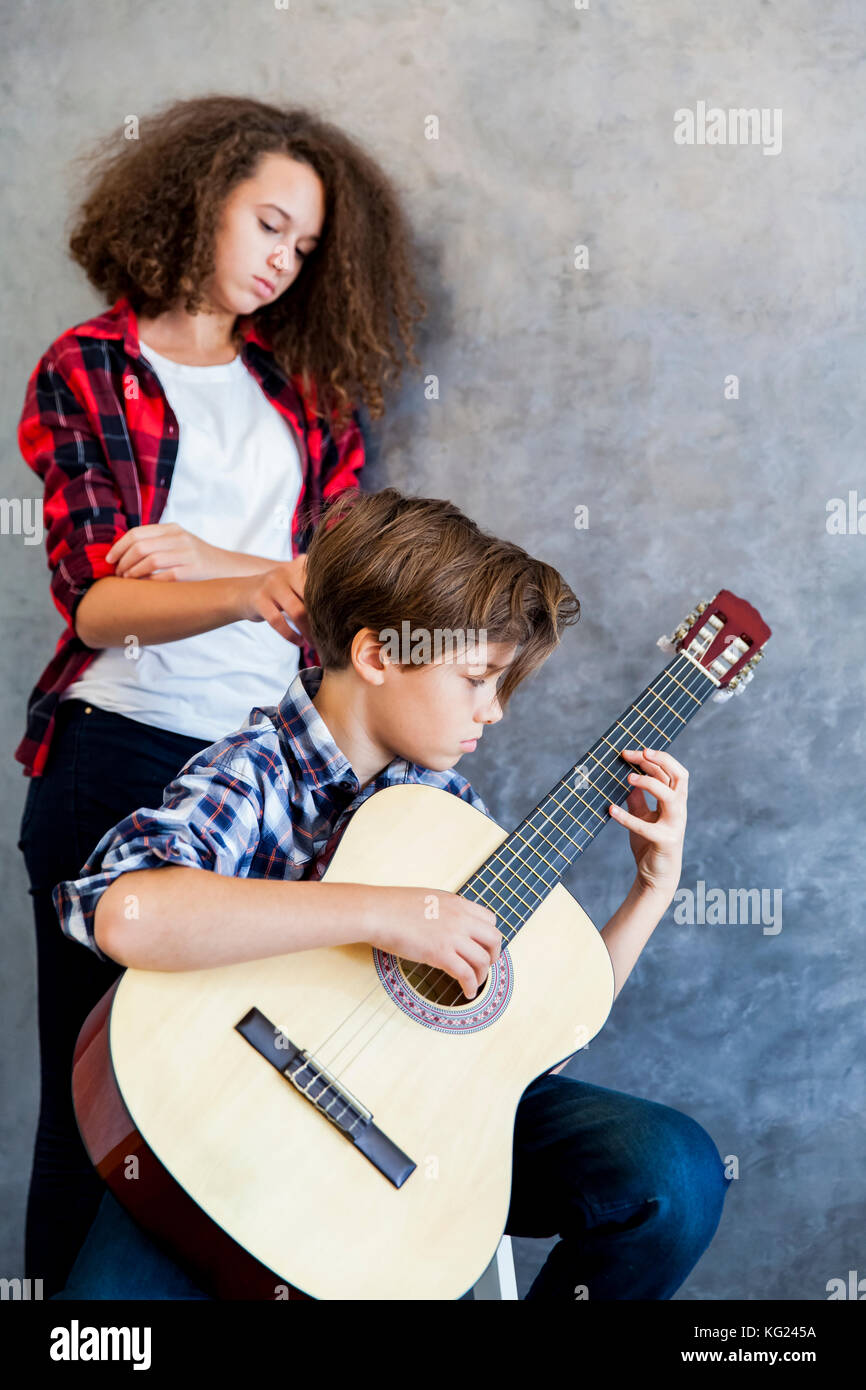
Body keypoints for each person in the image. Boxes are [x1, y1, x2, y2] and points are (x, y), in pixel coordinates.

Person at [51, 488, 731, 1300]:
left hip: (411, 1137)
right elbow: (126, 912)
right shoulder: (255, 771)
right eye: (478, 678)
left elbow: (537, 1035)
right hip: (225, 1132)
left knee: (674, 1173)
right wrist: (386, 912)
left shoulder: (448, 813)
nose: (496, 712)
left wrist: (650, 893)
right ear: (376, 655)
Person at [16, 94, 427, 1296]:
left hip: (272, 771)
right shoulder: (89, 367)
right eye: (267, 223)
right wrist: (254, 589)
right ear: (198, 200)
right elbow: (95, 604)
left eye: (303, 248)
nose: (280, 262)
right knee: (93, 1095)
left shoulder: (307, 391)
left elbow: (344, 595)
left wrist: (215, 560)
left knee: (230, 1090)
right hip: (117, 747)